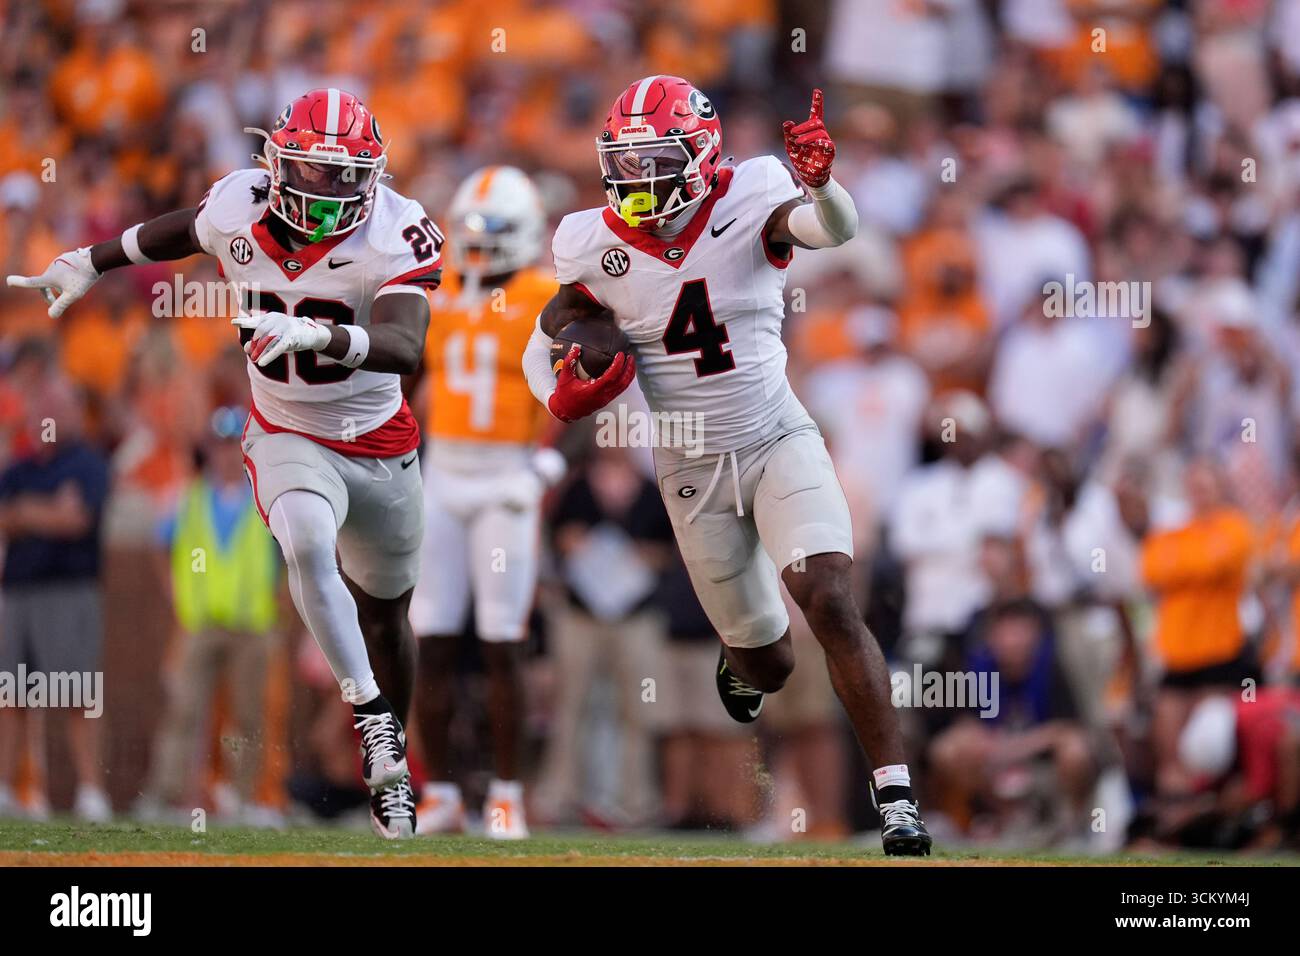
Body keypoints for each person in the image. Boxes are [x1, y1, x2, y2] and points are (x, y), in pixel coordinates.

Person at [7, 89, 442, 838]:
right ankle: (371, 719)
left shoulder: (396, 233)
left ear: (375, 177)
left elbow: (408, 347)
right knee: (305, 539)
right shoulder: (241, 204)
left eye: (347, 178)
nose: (333, 193)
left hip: (380, 441)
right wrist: (92, 258)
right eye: (315, 172)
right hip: (287, 431)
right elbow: (183, 232)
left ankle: (390, 734)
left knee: (388, 612)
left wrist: (324, 340)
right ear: (277, 166)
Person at [521, 75, 930, 854]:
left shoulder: (753, 193)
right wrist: (566, 398)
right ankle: (743, 661)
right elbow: (542, 350)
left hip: (776, 433)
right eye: (627, 161)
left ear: (703, 156)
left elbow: (831, 230)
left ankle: (897, 801)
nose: (638, 179)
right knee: (767, 662)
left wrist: (824, 183)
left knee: (830, 596)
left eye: (655, 160)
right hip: (688, 467)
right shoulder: (591, 243)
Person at [409, 166, 565, 838]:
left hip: (506, 477)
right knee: (432, 641)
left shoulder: (548, 293)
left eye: (489, 230)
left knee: (504, 643)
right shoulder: (436, 286)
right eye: (467, 229)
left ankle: (506, 794)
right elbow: (403, 372)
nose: (475, 242)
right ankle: (439, 793)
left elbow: (591, 383)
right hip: (442, 475)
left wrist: (547, 464)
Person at [136, 406, 281, 824]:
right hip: (200, 622)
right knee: (184, 708)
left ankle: (245, 796)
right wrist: (176, 593)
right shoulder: (191, 496)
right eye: (218, 446)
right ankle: (168, 795)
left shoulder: (263, 498)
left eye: (231, 446)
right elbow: (160, 543)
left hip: (250, 622)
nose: (224, 455)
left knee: (248, 714)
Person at [0, 375, 111, 821]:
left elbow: (76, 521)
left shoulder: (88, 464)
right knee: (11, 695)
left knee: (76, 692)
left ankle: (90, 790)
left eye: (58, 408)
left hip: (69, 592)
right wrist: (41, 512)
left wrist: (26, 513)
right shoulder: (18, 469)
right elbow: (14, 516)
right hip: (18, 593)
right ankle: (7, 788)